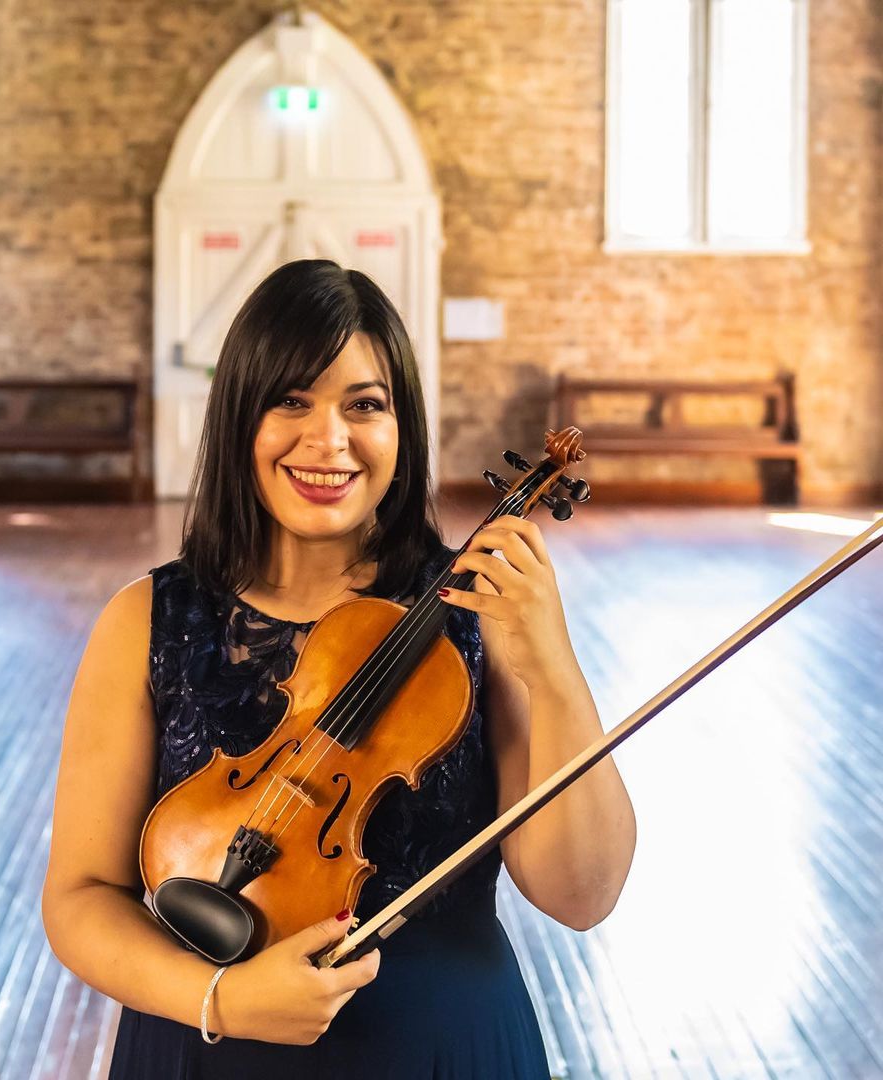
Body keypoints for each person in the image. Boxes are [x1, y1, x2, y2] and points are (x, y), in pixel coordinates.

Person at [42, 259, 636, 1079]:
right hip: (202, 1043)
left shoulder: (479, 617)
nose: (329, 440)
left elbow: (582, 894)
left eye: (364, 405)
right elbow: (80, 897)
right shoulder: (147, 621)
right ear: (240, 416)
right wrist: (220, 999)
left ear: (402, 428)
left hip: (442, 1049)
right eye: (291, 400)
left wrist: (555, 668)